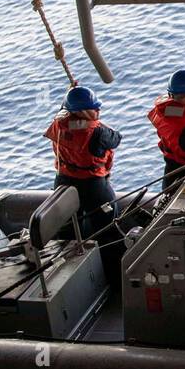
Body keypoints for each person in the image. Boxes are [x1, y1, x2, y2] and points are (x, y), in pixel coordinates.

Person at [45, 85, 124, 289]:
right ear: (82, 111)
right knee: (107, 228)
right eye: (93, 109)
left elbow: (64, 110)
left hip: (63, 181)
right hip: (94, 186)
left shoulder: (59, 122)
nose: (97, 112)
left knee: (68, 228)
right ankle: (113, 277)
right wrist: (95, 122)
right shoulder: (97, 132)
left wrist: (73, 96)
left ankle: (69, 278)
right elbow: (116, 138)